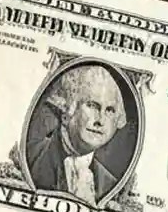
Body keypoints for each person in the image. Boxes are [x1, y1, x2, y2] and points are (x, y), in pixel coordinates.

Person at [26, 65, 128, 204]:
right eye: (92, 106)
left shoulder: (110, 185)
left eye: (109, 110)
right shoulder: (29, 156)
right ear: (66, 112)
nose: (101, 121)